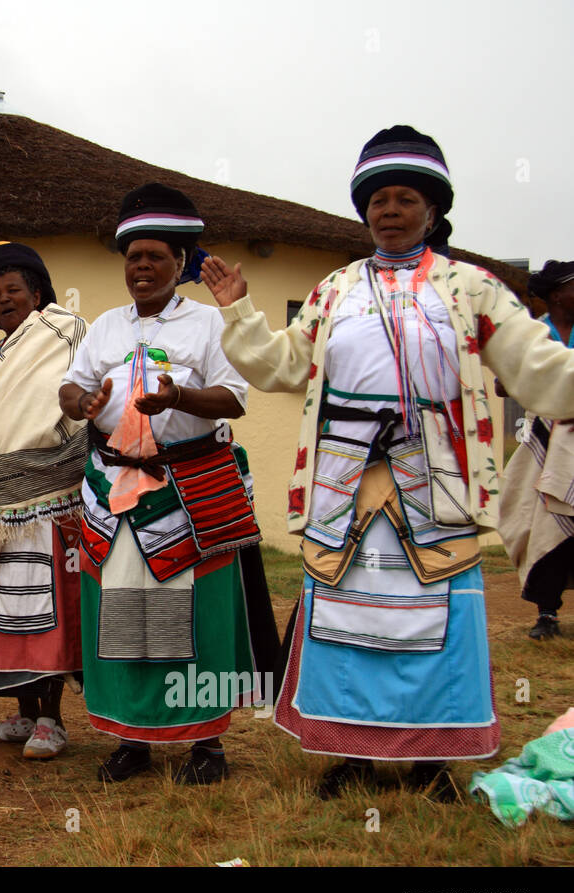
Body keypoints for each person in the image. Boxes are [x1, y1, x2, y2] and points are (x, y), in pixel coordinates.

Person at [203, 126, 574, 801]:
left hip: (433, 474)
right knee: (349, 618)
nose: (390, 210)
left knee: (431, 620)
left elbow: (536, 365)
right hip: (345, 476)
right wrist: (240, 312)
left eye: (405, 198)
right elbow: (282, 364)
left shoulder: (472, 289)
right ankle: (354, 756)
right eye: (377, 199)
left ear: (433, 210)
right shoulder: (335, 290)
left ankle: (431, 763)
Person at [58, 184, 278, 785]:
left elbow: (233, 398)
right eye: (133, 257)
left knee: (195, 611)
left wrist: (177, 395)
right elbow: (69, 389)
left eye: (156, 256)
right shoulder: (104, 327)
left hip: (190, 486)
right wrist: (85, 401)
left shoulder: (209, 324)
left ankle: (205, 743)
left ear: (181, 263)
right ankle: (135, 739)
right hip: (113, 485)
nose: (142, 267)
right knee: (125, 608)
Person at [0, 242, 86, 759]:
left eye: (13, 290)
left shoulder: (67, 332)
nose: (3, 300)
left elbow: (84, 400)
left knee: (43, 606)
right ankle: (25, 714)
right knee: (9, 612)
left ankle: (52, 721)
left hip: (52, 493)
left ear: (38, 293)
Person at [499, 259, 574, 640]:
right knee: (544, 522)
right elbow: (501, 384)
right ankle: (547, 613)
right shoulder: (533, 335)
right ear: (556, 295)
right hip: (542, 438)